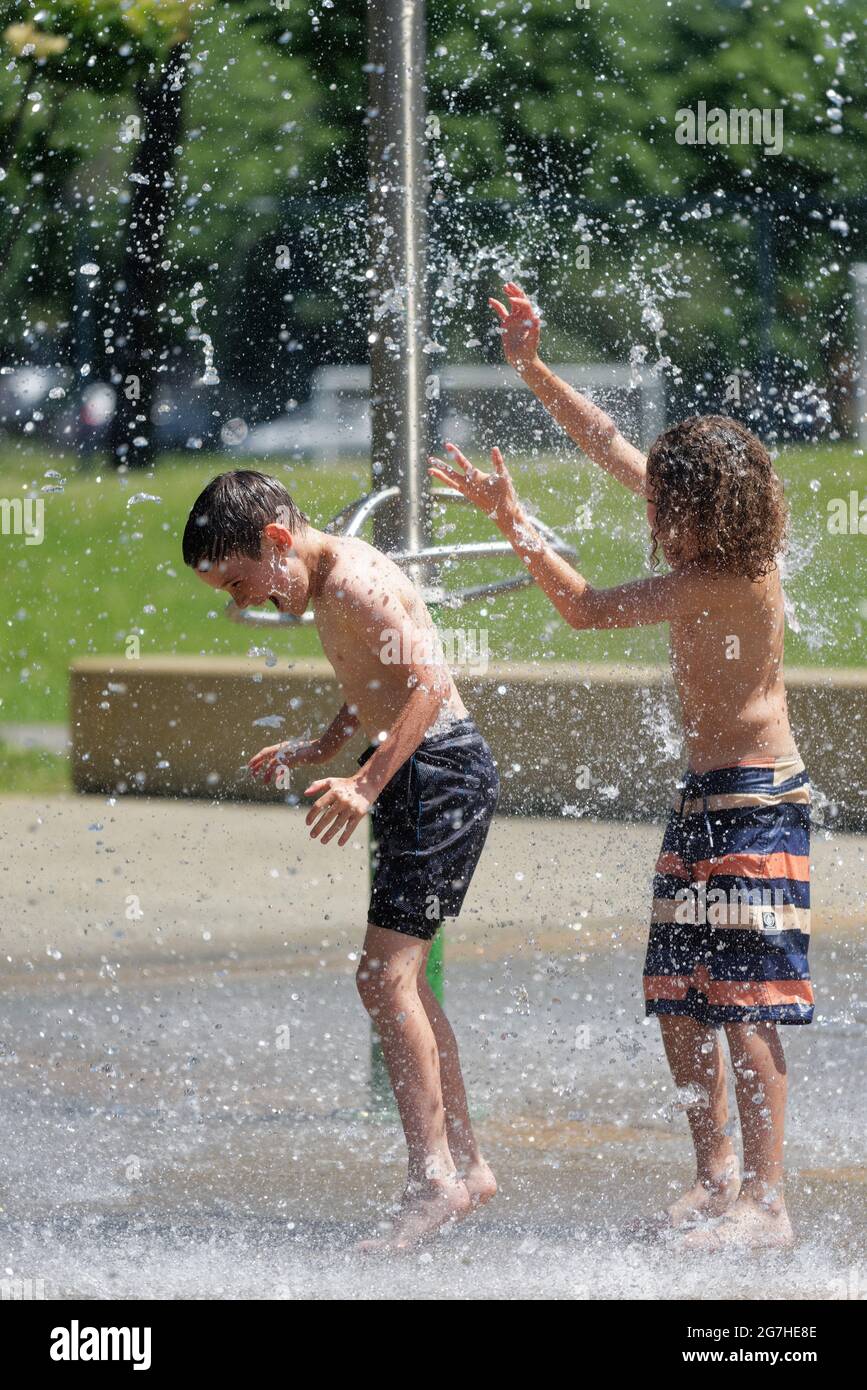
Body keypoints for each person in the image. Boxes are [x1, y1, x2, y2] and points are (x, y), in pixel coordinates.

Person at [427, 283, 813, 1250]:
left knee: (745, 999)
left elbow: (588, 609)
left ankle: (765, 1201)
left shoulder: (725, 576)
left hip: (758, 800)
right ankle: (713, 1171)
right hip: (706, 794)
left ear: (707, 516)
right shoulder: (710, 536)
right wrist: (530, 369)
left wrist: (516, 521)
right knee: (679, 992)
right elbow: (605, 442)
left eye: (666, 512)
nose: (653, 518)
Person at [182, 470, 499, 1250]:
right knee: (401, 981)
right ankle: (466, 1165)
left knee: (383, 977)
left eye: (239, 582)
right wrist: (324, 742)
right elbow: (375, 678)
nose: (239, 603)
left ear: (277, 542)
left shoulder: (353, 581)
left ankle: (434, 1183)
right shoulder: (326, 586)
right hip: (421, 771)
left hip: (440, 772)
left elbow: (429, 683)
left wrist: (363, 782)